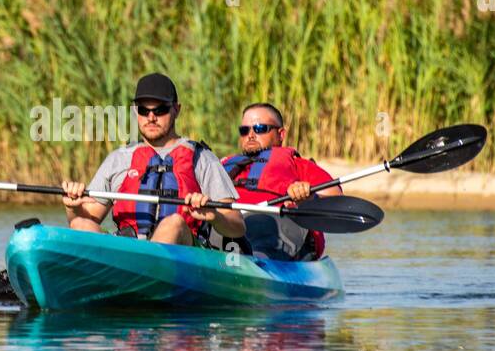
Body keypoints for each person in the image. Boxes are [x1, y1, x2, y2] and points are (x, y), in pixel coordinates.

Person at [61, 73, 245, 245]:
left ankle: (145, 270)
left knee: (173, 223)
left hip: (185, 254)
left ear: (176, 109)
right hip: (129, 250)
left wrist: (214, 215)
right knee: (79, 225)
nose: (151, 117)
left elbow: (237, 227)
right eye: (143, 110)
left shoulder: (202, 158)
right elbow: (88, 219)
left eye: (160, 110)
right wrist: (73, 207)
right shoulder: (119, 159)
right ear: (135, 111)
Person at [219, 102, 341, 260]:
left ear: (281, 134)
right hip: (226, 229)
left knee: (261, 226)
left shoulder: (299, 166)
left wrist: (309, 198)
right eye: (244, 130)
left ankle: (253, 267)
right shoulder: (222, 165)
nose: (250, 135)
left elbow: (336, 203)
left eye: (259, 129)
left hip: (274, 231)